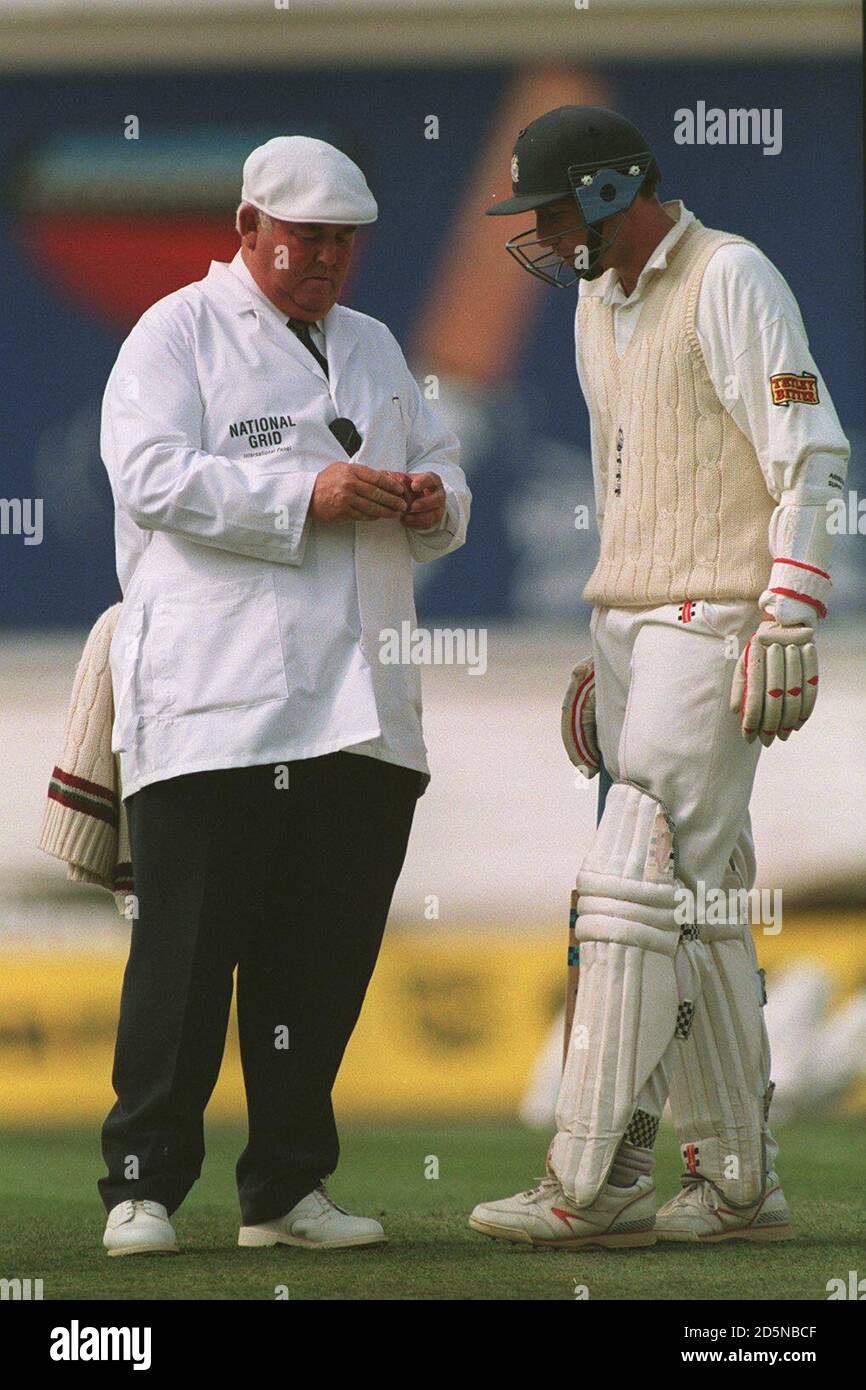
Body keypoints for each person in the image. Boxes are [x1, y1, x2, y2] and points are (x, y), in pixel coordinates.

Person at [469, 105, 848, 1248]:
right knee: (701, 901)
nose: (535, 230)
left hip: (715, 612)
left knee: (635, 874)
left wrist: (788, 603)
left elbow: (809, 451)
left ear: (601, 193)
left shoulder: (730, 277)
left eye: (546, 206)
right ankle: (737, 1182)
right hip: (634, 624)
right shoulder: (596, 299)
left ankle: (592, 1184)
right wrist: (602, 637)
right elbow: (623, 481)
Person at [98, 135, 470, 1255]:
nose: (324, 260)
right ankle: (142, 1187)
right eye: (304, 238)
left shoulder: (372, 345)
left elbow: (450, 475)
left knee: (320, 959)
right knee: (187, 956)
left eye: (342, 243)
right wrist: (301, 491)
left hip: (360, 707)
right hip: (220, 703)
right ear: (247, 228)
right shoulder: (177, 330)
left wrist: (425, 502)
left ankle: (284, 1194)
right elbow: (148, 475)